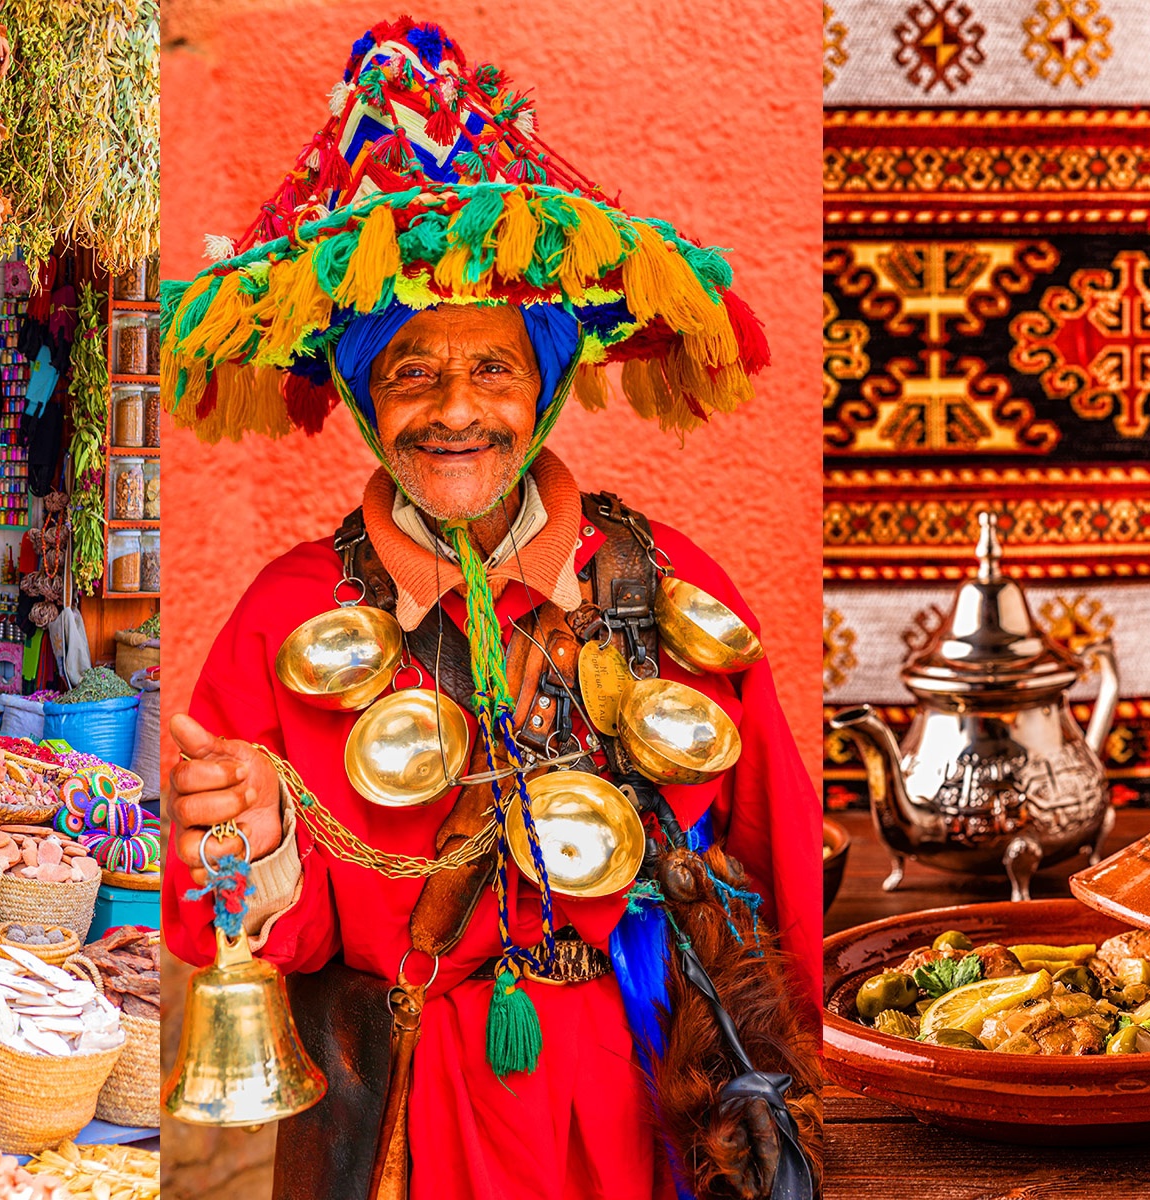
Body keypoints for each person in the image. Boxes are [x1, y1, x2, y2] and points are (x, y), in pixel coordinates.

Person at [159, 18, 824, 1200]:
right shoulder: (286, 613)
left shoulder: (668, 586)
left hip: (644, 1102)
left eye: (494, 369)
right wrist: (250, 841)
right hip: (405, 1118)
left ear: (547, 387)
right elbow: (260, 935)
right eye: (411, 368)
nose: (454, 410)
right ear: (365, 401)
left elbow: (771, 865)